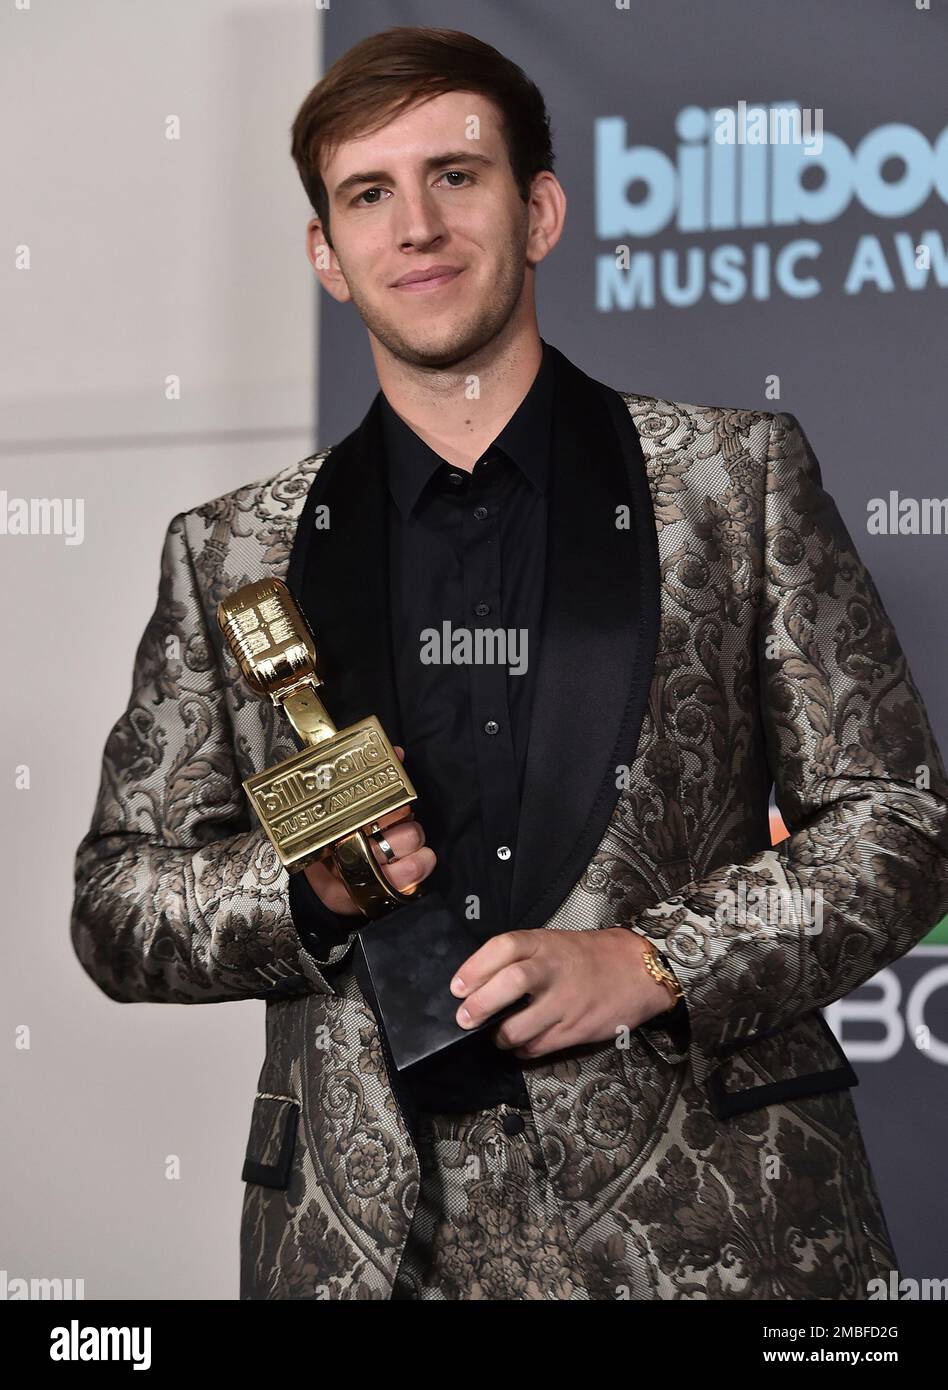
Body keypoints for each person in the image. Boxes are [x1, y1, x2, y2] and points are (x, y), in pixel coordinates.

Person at [70, 26, 948, 1301]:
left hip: (715, 1233)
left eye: (457, 176)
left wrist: (652, 962)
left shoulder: (729, 479)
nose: (414, 224)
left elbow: (900, 821)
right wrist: (303, 892)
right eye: (368, 194)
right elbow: (119, 902)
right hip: (364, 1256)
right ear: (327, 253)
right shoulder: (233, 552)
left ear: (538, 211)